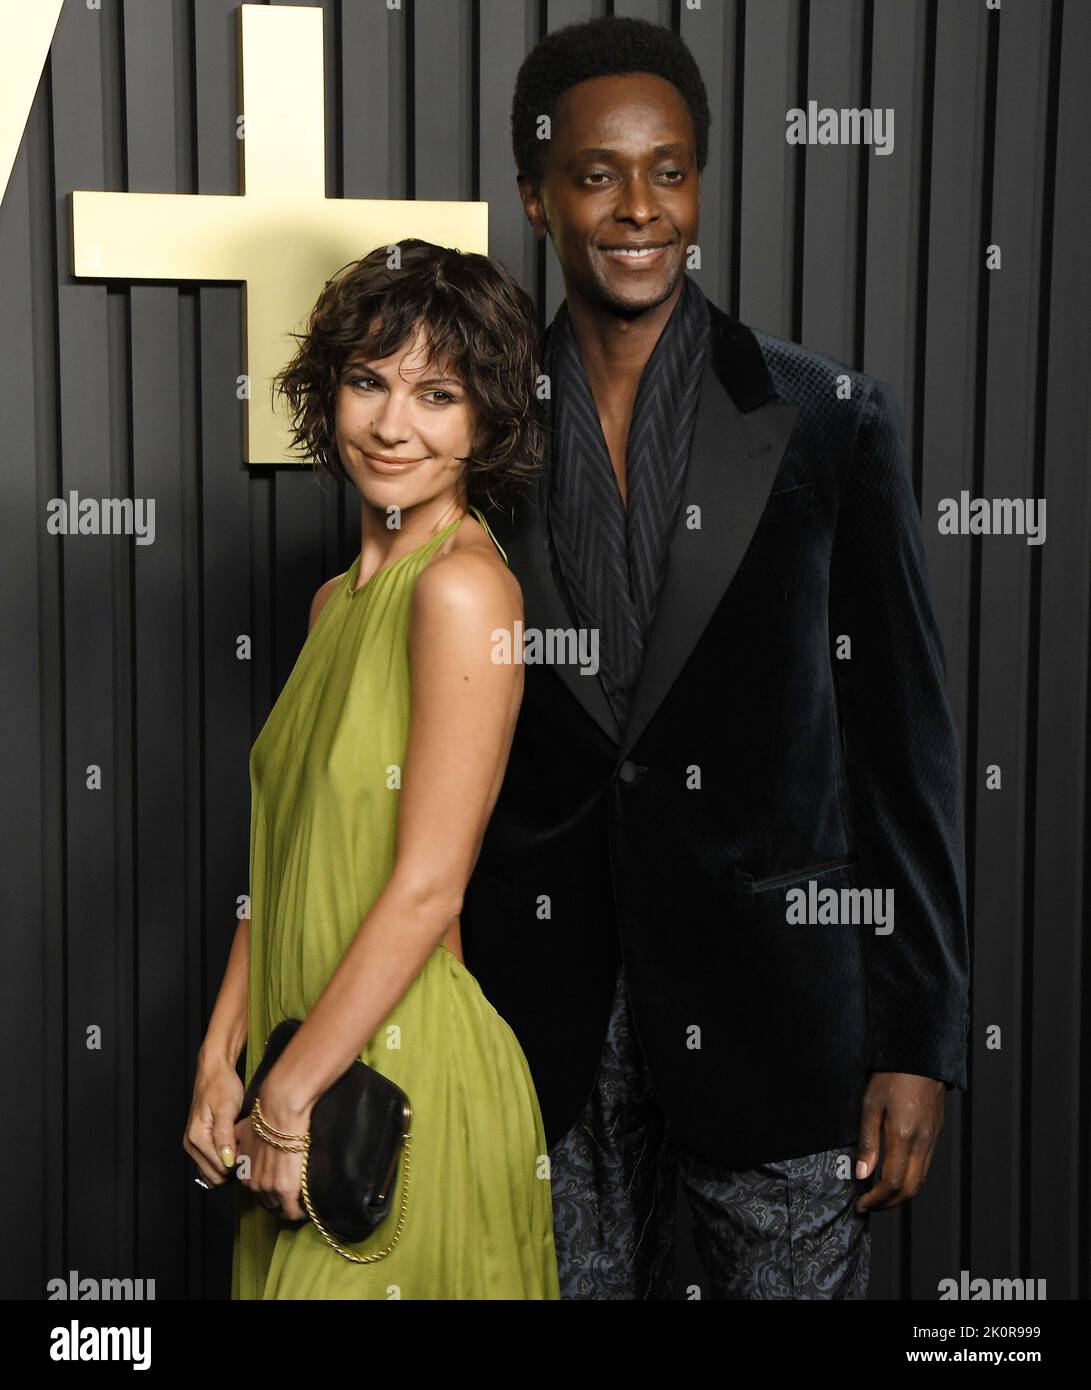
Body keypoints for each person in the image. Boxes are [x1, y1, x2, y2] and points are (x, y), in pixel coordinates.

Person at [459, 15, 970, 1300]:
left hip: (780, 1020)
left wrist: (918, 1037)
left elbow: (901, 747)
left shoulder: (825, 421)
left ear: (698, 183)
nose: (638, 207)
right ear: (534, 192)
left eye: (668, 169)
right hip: (539, 1024)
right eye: (595, 173)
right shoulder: (469, 428)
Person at [183, 240, 559, 1299]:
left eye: (437, 394)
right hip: (297, 1073)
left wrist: (287, 1100)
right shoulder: (332, 603)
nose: (392, 425)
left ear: (486, 420)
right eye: (367, 381)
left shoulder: (462, 593)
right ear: (327, 392)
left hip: (393, 1090)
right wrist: (224, 1056)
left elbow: (430, 881)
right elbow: (286, 853)